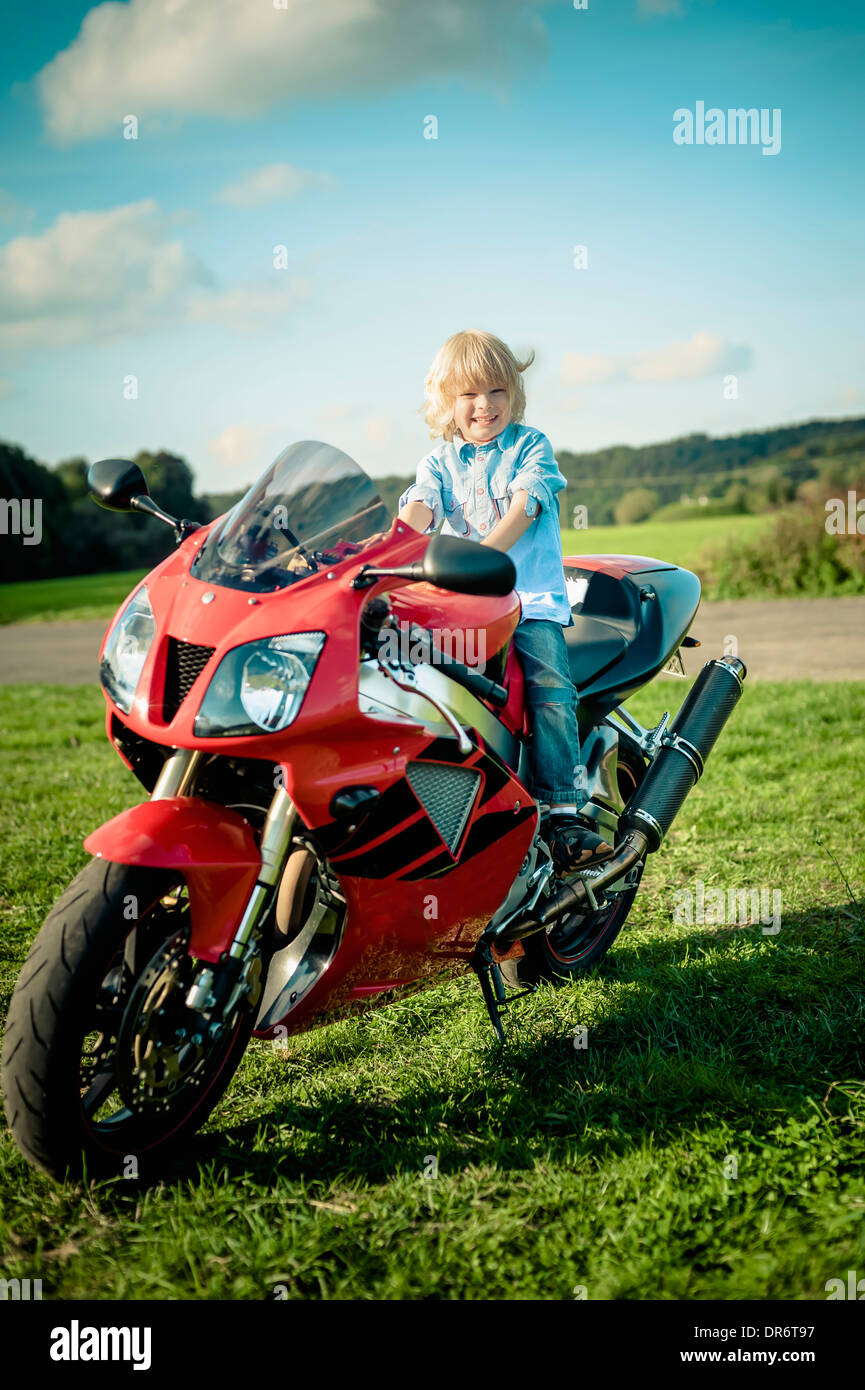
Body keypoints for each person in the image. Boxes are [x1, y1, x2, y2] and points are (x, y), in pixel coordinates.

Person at [397, 329, 614, 873]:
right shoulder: (440, 461)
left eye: (496, 391)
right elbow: (418, 512)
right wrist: (387, 552)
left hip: (527, 600)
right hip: (462, 607)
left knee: (548, 686)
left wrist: (480, 558)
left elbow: (525, 508)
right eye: (469, 394)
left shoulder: (530, 445)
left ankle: (564, 810)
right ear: (447, 399)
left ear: (513, 393)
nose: (484, 405)